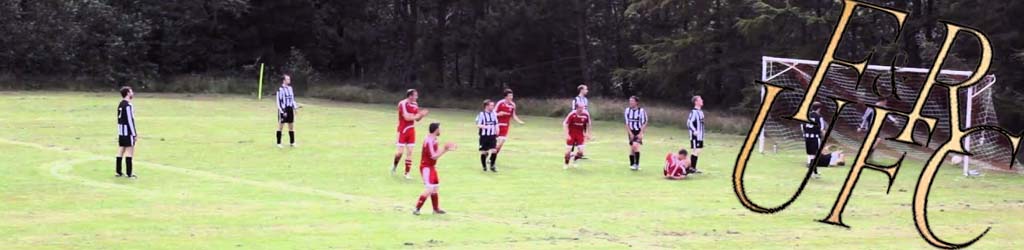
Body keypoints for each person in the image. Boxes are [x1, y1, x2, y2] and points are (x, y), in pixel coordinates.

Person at [413, 123, 456, 215]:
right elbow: (433, 156)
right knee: (429, 188)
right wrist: (445, 149)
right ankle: (417, 208)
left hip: (431, 167)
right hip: (426, 167)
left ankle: (435, 209)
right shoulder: (429, 140)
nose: (440, 130)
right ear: (436, 129)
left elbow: (435, 152)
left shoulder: (434, 139)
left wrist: (446, 149)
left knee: (435, 187)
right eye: (439, 128)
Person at [393, 89, 430, 179]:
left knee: (410, 152)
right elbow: (407, 118)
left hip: (411, 130)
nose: (417, 97)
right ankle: (394, 166)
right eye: (415, 95)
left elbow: (416, 119)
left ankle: (407, 173)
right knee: (399, 153)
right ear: (410, 96)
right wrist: (418, 115)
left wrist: (421, 115)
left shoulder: (415, 104)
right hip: (402, 130)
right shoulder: (402, 103)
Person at [494, 89, 525, 168]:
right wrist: (499, 114)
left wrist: (519, 121)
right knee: (495, 143)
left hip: (505, 126)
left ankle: (492, 157)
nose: (511, 97)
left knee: (501, 143)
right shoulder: (500, 103)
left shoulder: (512, 105)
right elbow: (493, 114)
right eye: (510, 96)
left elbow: (513, 115)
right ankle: (489, 154)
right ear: (506, 96)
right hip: (497, 125)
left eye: (512, 95)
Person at [115, 86, 139, 179]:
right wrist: (134, 134)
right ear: (128, 93)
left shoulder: (120, 104)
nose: (132, 93)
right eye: (131, 91)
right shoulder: (128, 105)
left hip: (121, 131)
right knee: (129, 151)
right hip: (127, 131)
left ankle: (118, 171)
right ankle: (129, 173)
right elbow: (130, 120)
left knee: (121, 150)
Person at [803, 102, 828, 179]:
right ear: (819, 109)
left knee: (811, 155)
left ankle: (814, 172)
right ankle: (812, 172)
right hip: (815, 138)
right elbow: (822, 129)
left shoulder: (806, 115)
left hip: (807, 138)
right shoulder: (819, 117)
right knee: (815, 156)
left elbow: (802, 126)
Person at [563, 102, 591, 169]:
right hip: (571, 134)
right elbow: (565, 124)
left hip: (580, 134)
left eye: (583, 107)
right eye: (581, 107)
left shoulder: (586, 114)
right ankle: (566, 163)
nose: (582, 109)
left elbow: (588, 124)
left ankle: (575, 160)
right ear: (577, 108)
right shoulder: (572, 114)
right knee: (568, 152)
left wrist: (587, 133)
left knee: (581, 152)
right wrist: (567, 134)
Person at [624, 96, 648, 171]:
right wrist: (630, 133)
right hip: (631, 131)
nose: (630, 102)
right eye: (630, 101)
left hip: (638, 131)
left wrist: (641, 133)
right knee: (632, 148)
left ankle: (636, 164)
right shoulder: (627, 110)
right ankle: (632, 164)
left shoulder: (641, 111)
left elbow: (644, 122)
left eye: (632, 101)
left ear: (636, 102)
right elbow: (627, 123)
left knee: (635, 146)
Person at [476, 100, 500, 172]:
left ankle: (492, 166)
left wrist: (497, 129)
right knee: (484, 152)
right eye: (491, 105)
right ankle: (484, 167)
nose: (493, 107)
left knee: (494, 150)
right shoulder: (481, 114)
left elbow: (496, 123)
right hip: (484, 136)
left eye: (493, 105)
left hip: (492, 135)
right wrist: (484, 126)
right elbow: (478, 125)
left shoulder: (494, 114)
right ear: (487, 106)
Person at [276, 74, 298, 148]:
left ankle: (292, 142)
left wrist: (295, 108)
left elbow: (292, 99)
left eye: (289, 79)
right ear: (284, 80)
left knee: (291, 126)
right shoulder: (280, 89)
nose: (289, 80)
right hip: (283, 109)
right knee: (281, 126)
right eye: (288, 79)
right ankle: (279, 143)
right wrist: (282, 111)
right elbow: (278, 102)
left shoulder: (290, 88)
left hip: (290, 109)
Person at [687, 95, 705, 174]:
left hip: (700, 136)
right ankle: (691, 168)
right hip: (695, 135)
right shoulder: (693, 112)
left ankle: (693, 167)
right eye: (700, 100)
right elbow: (689, 123)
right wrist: (694, 131)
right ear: (696, 102)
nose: (702, 101)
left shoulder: (701, 112)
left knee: (698, 150)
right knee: (695, 150)